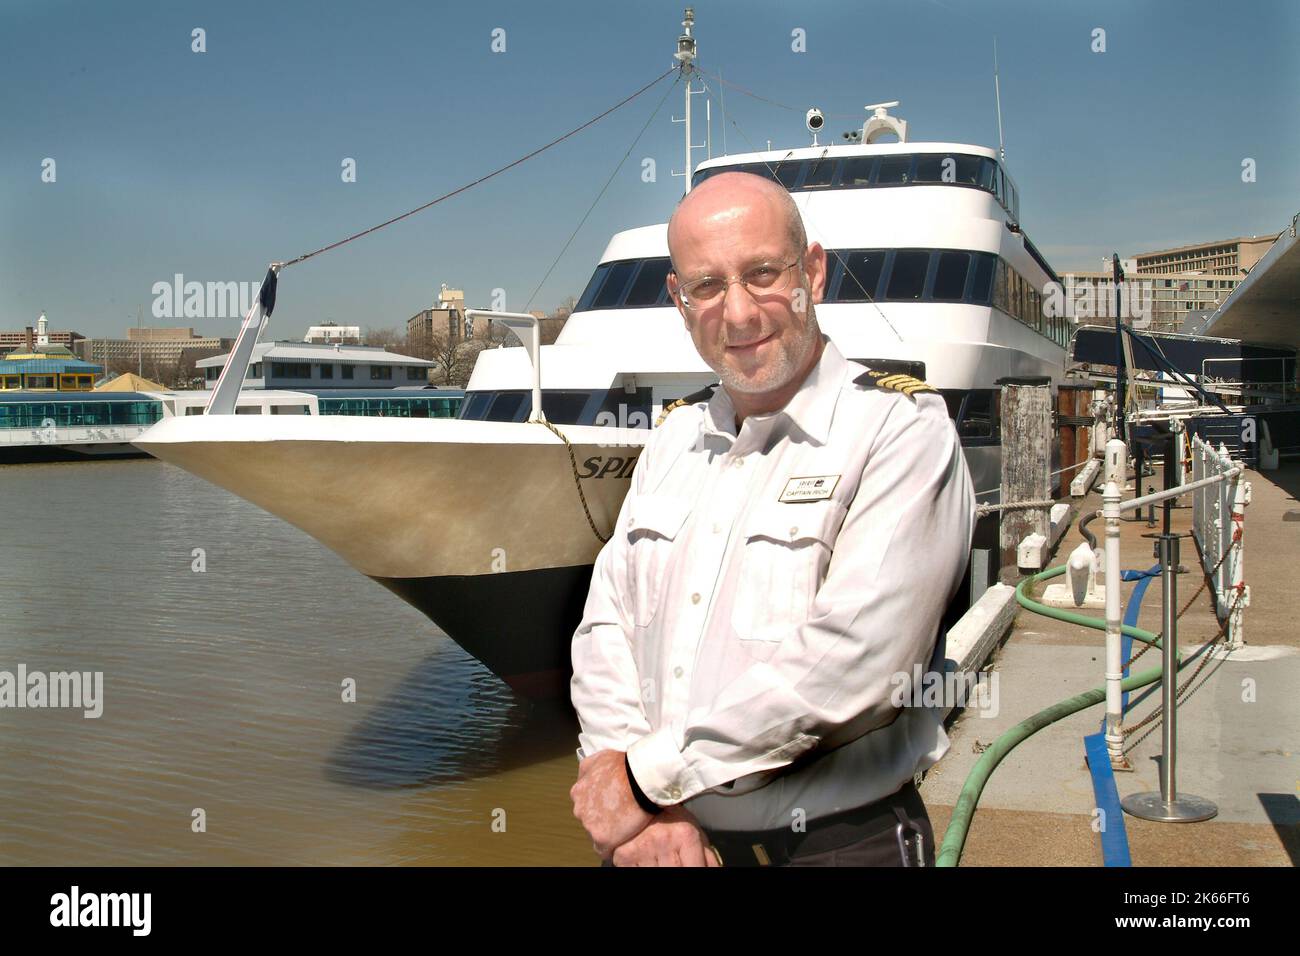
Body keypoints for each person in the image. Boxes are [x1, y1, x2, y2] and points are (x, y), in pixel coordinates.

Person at [568, 171, 976, 866]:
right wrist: (647, 810)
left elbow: (859, 662)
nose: (738, 313)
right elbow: (607, 625)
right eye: (706, 286)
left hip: (835, 845)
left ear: (811, 272)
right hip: (661, 844)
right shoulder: (674, 438)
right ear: (678, 298)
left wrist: (643, 779)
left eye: (761, 274)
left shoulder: (899, 430)